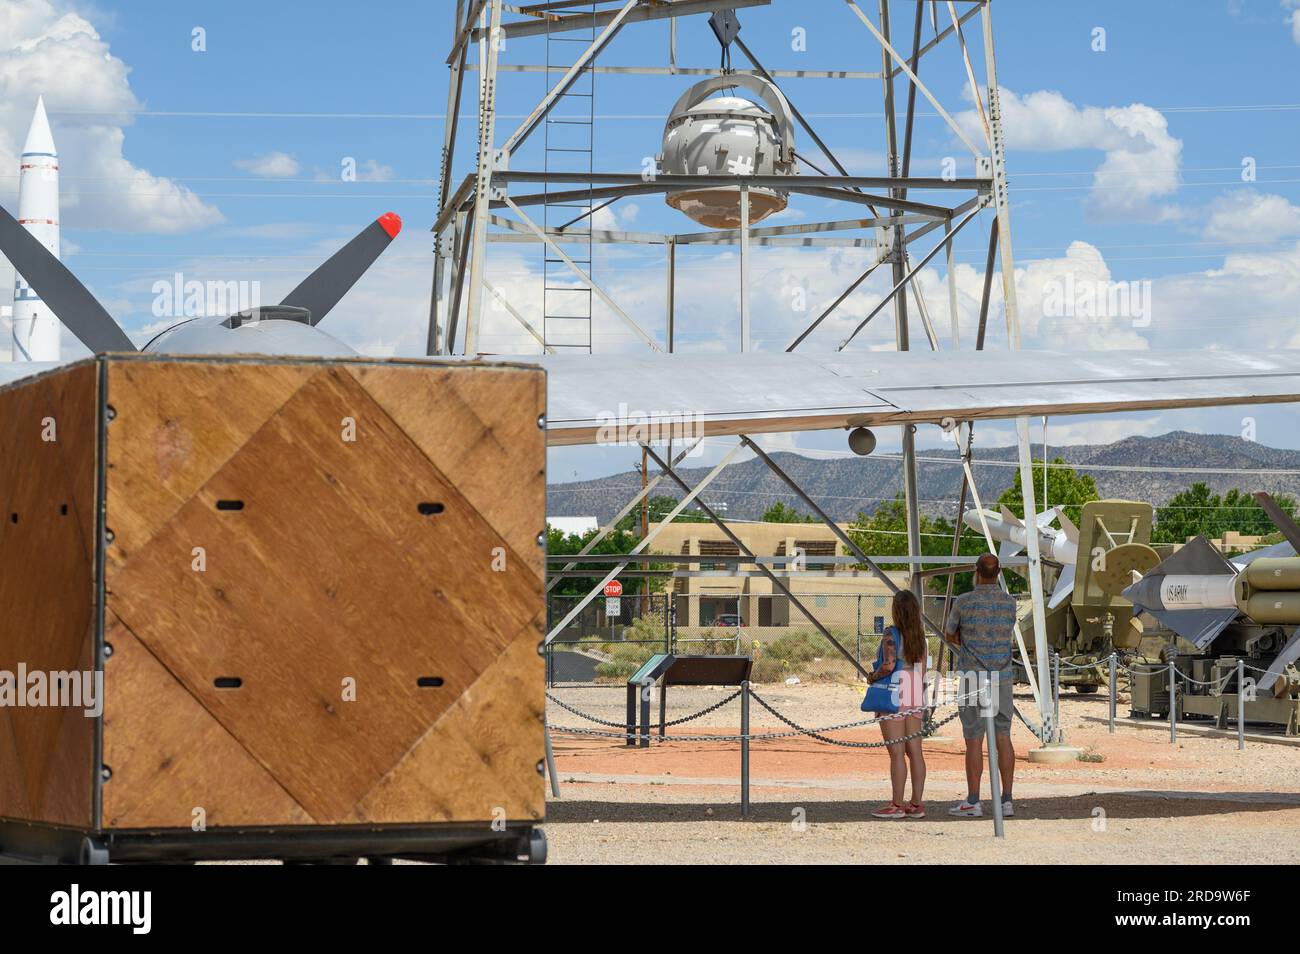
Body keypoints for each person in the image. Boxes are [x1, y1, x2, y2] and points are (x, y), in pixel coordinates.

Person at [945, 552, 1018, 818]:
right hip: (1002, 676)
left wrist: (968, 643)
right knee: (1003, 736)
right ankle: (1006, 799)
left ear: (976, 572)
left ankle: (974, 800)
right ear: (998, 573)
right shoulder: (1010, 603)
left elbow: (950, 632)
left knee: (974, 739)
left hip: (972, 676)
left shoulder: (963, 602)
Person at [867, 589, 928, 820]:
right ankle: (917, 804)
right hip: (915, 694)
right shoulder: (920, 637)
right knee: (916, 751)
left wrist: (871, 677)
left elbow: (888, 665)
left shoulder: (890, 634)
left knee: (896, 752)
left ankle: (896, 804)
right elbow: (922, 671)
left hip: (894, 695)